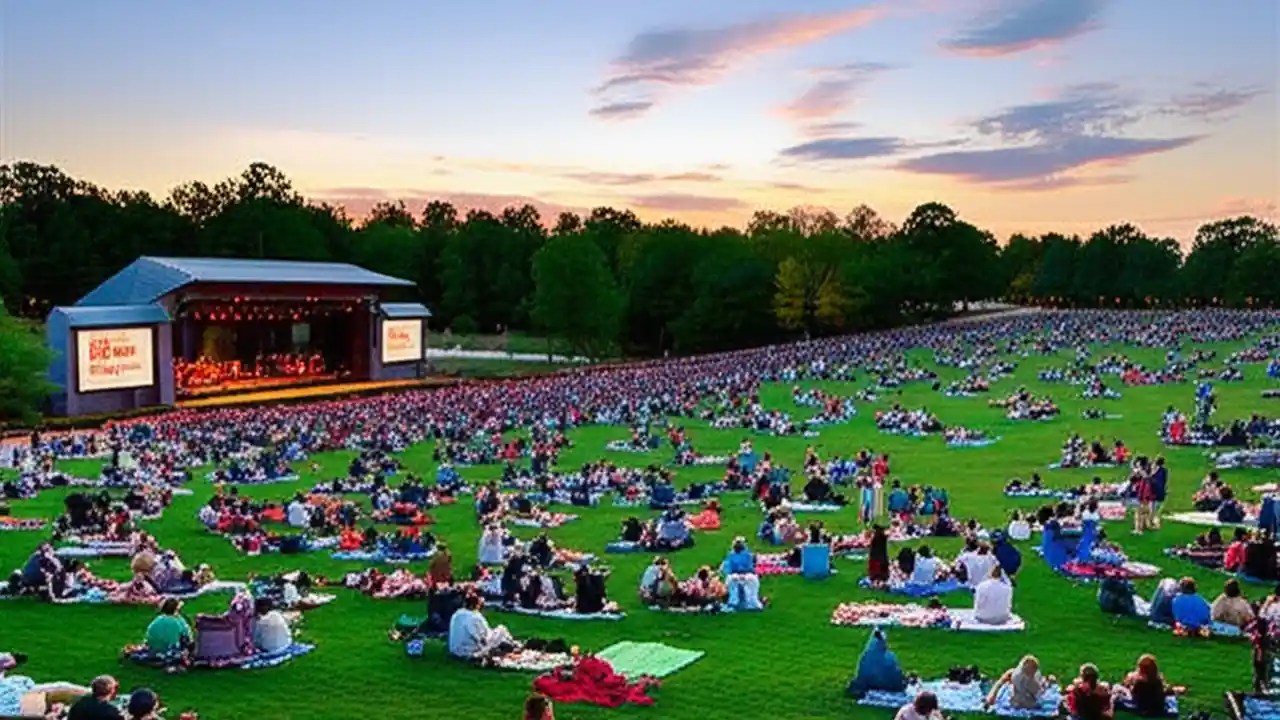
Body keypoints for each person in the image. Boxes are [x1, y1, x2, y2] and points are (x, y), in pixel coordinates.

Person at [447, 592, 516, 660]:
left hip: (455, 650)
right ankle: (514, 646)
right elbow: (483, 639)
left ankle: (511, 644)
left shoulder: (457, 613)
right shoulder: (474, 617)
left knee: (498, 634)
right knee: (502, 629)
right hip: (470, 651)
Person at [846, 628, 907, 698]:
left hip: (871, 683)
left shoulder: (867, 655)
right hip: (887, 684)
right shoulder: (888, 657)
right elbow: (896, 674)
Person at [985, 655, 1053, 710]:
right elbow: (1004, 678)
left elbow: (1041, 692)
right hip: (1017, 699)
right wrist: (992, 694)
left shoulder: (1035, 683)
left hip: (1030, 702)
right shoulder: (1016, 674)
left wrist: (1047, 683)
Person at [721, 537, 763, 611]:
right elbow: (729, 569)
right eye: (737, 543)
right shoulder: (731, 555)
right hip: (734, 574)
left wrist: (744, 574)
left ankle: (752, 602)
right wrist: (737, 574)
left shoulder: (747, 555)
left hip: (746, 574)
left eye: (740, 544)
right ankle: (733, 601)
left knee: (751, 579)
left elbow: (750, 568)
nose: (738, 546)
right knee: (732, 579)